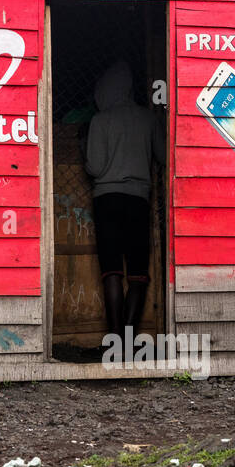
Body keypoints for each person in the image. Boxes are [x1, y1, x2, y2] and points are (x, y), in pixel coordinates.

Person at [84, 60, 165, 340]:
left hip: (107, 200)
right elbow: (165, 157)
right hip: (139, 200)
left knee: (112, 271)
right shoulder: (147, 119)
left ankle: (114, 340)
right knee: (139, 274)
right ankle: (129, 341)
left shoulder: (100, 120)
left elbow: (94, 167)